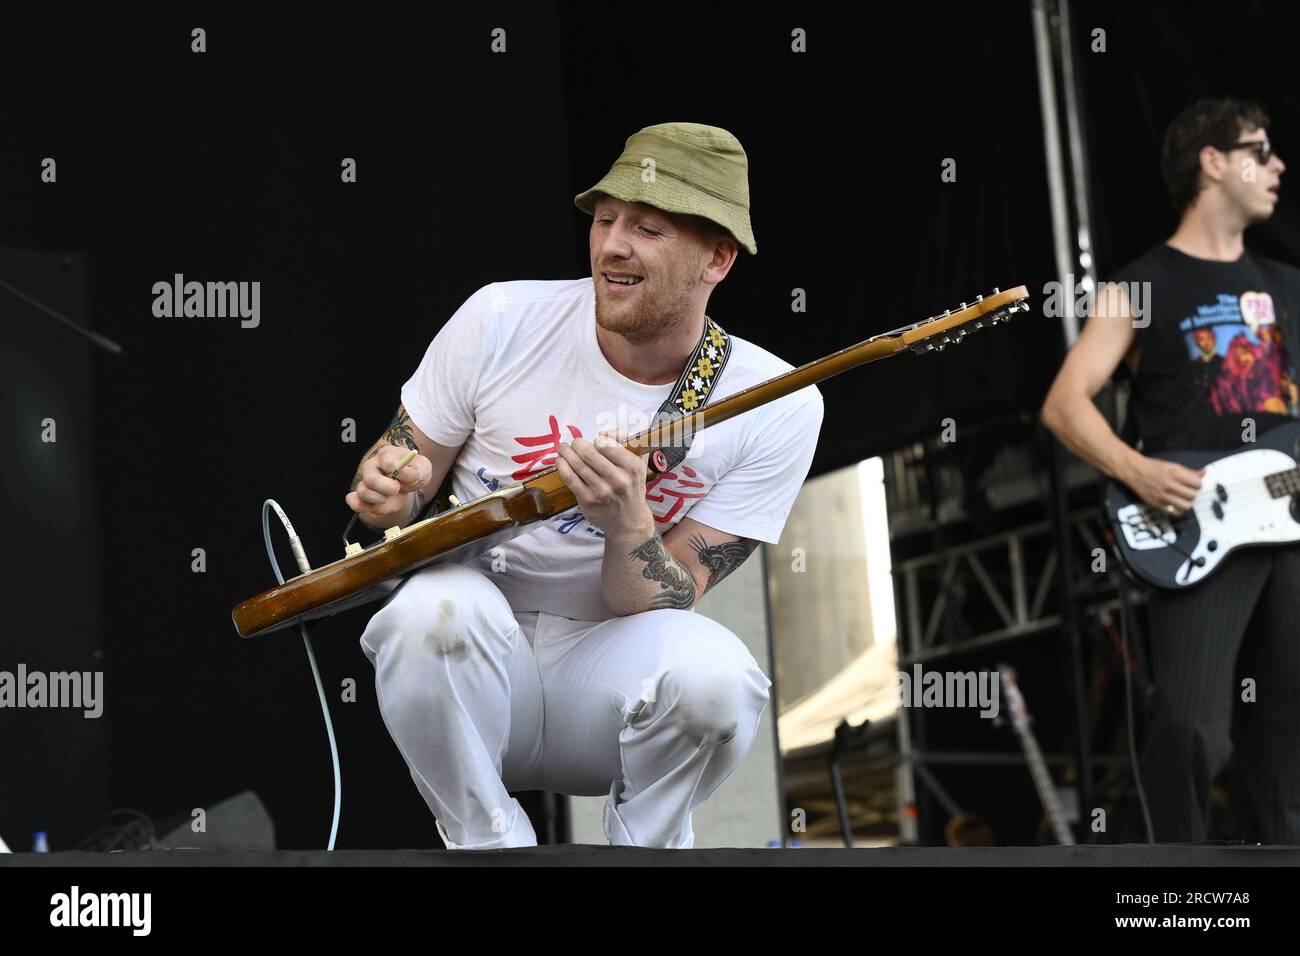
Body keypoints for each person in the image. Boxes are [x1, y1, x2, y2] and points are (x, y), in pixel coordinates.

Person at [344, 123, 824, 849]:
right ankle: (491, 848)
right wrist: (388, 487)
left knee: (717, 677)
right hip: (474, 665)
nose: (612, 246)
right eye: (604, 220)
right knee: (430, 611)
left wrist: (628, 523)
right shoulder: (500, 318)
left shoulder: (780, 402)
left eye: (649, 227)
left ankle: (643, 856)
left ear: (717, 258)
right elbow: (404, 466)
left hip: (606, 674)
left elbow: (670, 597)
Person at [1040, 97, 1300, 842]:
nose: (1278, 164)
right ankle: (1173, 892)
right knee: (1191, 730)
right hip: (1196, 525)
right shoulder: (1139, 286)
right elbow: (1065, 404)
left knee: (1286, 741)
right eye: (1260, 148)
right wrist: (1138, 471)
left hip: (1288, 521)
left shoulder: (1287, 287)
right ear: (1212, 163)